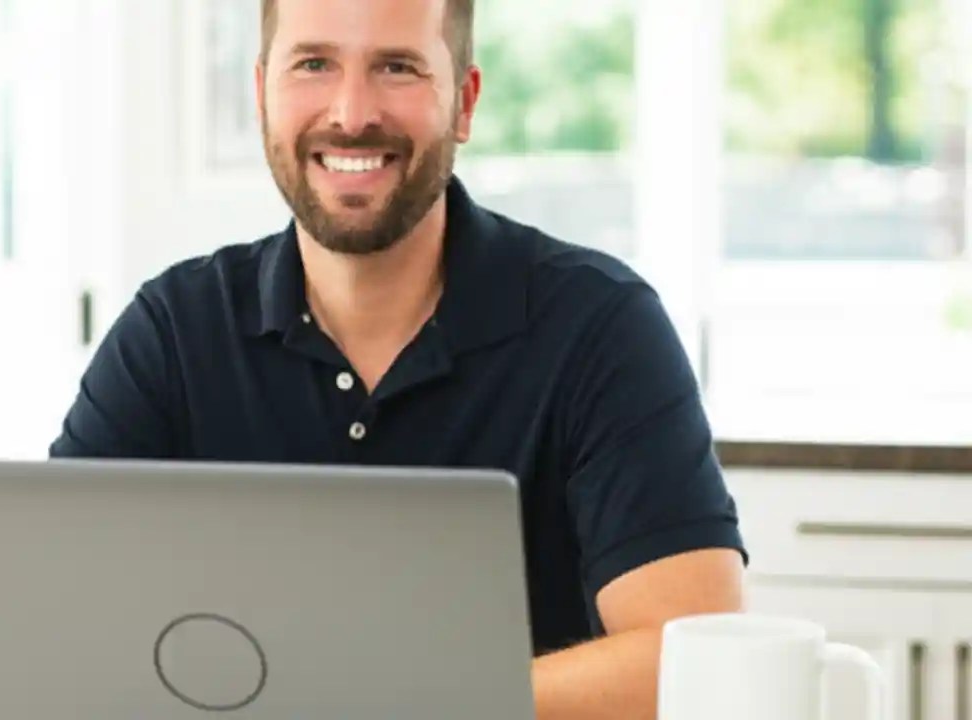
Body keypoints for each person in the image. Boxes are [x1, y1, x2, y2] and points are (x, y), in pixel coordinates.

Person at [50, 0, 748, 717]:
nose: (351, 113)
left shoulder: (603, 328)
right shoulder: (171, 332)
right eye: (314, 64)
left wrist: (388, 703)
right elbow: (49, 626)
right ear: (262, 92)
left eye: (397, 66)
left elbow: (696, 655)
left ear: (465, 102)